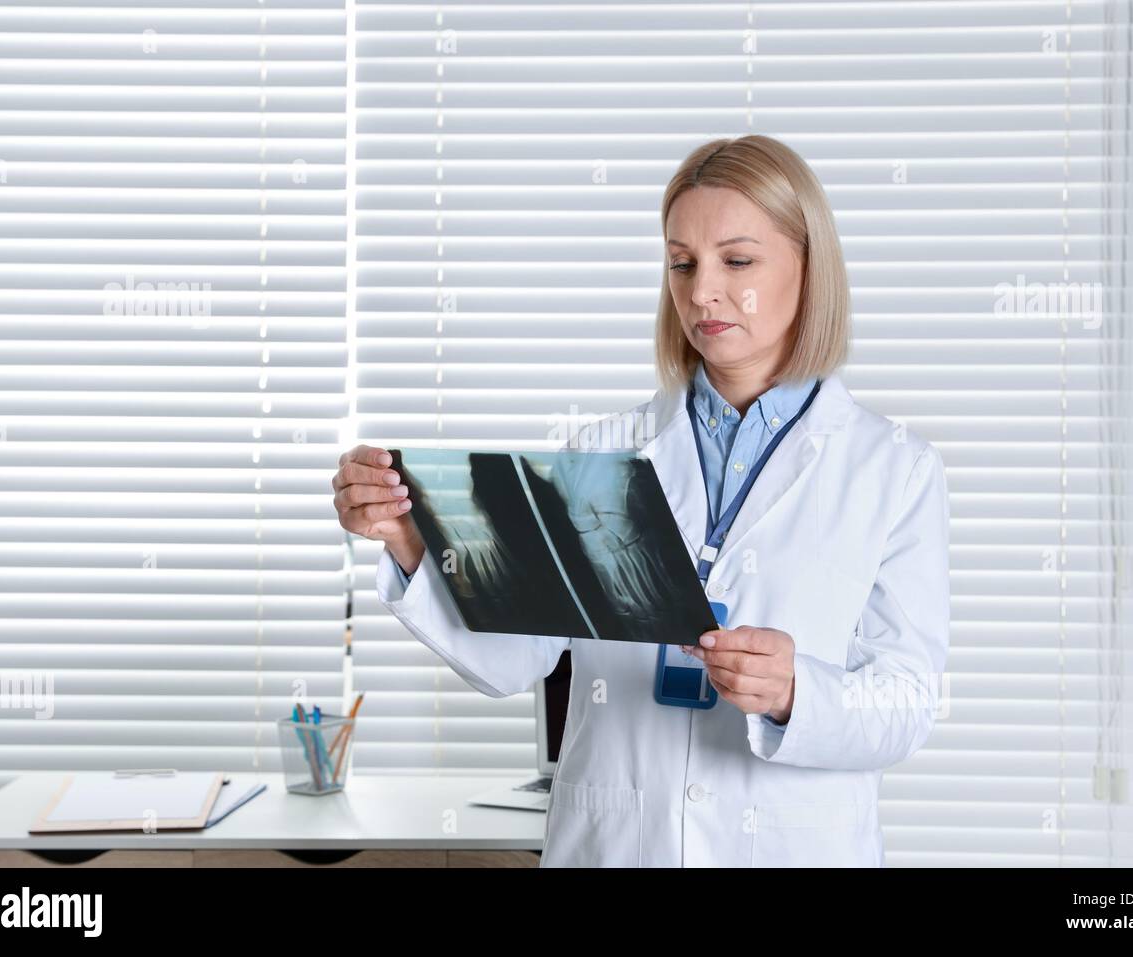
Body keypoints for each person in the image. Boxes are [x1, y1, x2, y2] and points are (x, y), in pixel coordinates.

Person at [332, 134, 949, 867]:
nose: (701, 291)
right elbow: (509, 661)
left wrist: (795, 692)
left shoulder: (894, 469)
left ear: (809, 266)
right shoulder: (606, 453)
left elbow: (906, 703)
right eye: (682, 262)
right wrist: (409, 539)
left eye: (737, 260)